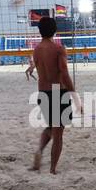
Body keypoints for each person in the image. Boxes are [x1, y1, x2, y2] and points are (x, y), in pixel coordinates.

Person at [31, 17, 75, 174]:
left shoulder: (36, 50)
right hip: (58, 93)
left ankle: (40, 151)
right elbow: (64, 74)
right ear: (55, 30)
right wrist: (74, 93)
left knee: (50, 127)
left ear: (40, 31)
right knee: (58, 133)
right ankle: (53, 169)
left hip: (43, 93)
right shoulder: (58, 49)